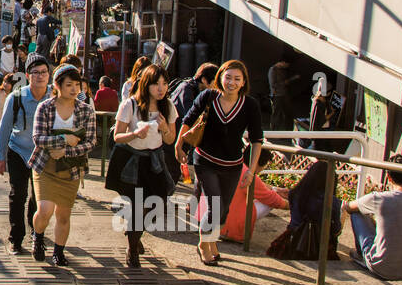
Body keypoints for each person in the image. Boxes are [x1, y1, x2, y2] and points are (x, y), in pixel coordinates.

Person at [176, 59, 265, 267]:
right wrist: (179, 145)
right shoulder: (208, 96)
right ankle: (204, 244)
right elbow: (188, 119)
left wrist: (251, 171)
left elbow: (257, 139)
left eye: (237, 79)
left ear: (243, 82)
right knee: (215, 204)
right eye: (228, 77)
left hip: (233, 164)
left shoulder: (250, 105)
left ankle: (211, 241)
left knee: (223, 210)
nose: (231, 82)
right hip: (205, 159)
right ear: (220, 78)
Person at [105, 64, 178, 268]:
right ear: (146, 84)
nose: (161, 88)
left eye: (164, 84)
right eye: (156, 84)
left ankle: (133, 233)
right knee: (138, 206)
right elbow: (117, 136)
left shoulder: (168, 106)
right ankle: (132, 249)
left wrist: (164, 128)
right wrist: (135, 134)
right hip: (131, 159)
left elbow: (170, 140)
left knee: (155, 203)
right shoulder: (130, 105)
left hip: (154, 160)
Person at [28, 64, 98, 267]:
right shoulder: (45, 107)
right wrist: (65, 139)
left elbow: (91, 142)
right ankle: (38, 237)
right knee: (44, 210)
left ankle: (59, 251)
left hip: (71, 168)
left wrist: (66, 151)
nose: (75, 89)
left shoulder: (85, 111)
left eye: (78, 85)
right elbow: (37, 138)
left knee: (64, 215)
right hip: (46, 167)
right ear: (57, 85)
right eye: (69, 85)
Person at [342, 157, 402, 280]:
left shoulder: (379, 199)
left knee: (357, 213)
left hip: (382, 267)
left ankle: (362, 254)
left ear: (389, 177)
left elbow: (349, 207)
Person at [0, 55, 52, 256]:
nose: (40, 76)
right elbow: (5, 128)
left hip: (44, 155)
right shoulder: (16, 97)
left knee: (39, 199)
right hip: (18, 151)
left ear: (49, 74)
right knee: (18, 195)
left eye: (43, 72)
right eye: (35, 73)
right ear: (27, 75)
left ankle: (37, 235)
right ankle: (16, 239)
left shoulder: (54, 97)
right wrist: (0, 156)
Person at [220, 165, 289, 244]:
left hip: (216, 221)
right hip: (232, 226)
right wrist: (291, 205)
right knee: (269, 201)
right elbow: (271, 199)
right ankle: (235, 230)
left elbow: (260, 186)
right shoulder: (247, 174)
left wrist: (276, 189)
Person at [268, 52, 299, 134]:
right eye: (286, 65)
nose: (287, 66)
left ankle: (288, 132)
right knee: (277, 114)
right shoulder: (273, 70)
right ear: (283, 62)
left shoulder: (283, 70)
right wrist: (288, 81)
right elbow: (273, 85)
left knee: (288, 113)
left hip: (284, 94)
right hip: (277, 95)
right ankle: (273, 132)